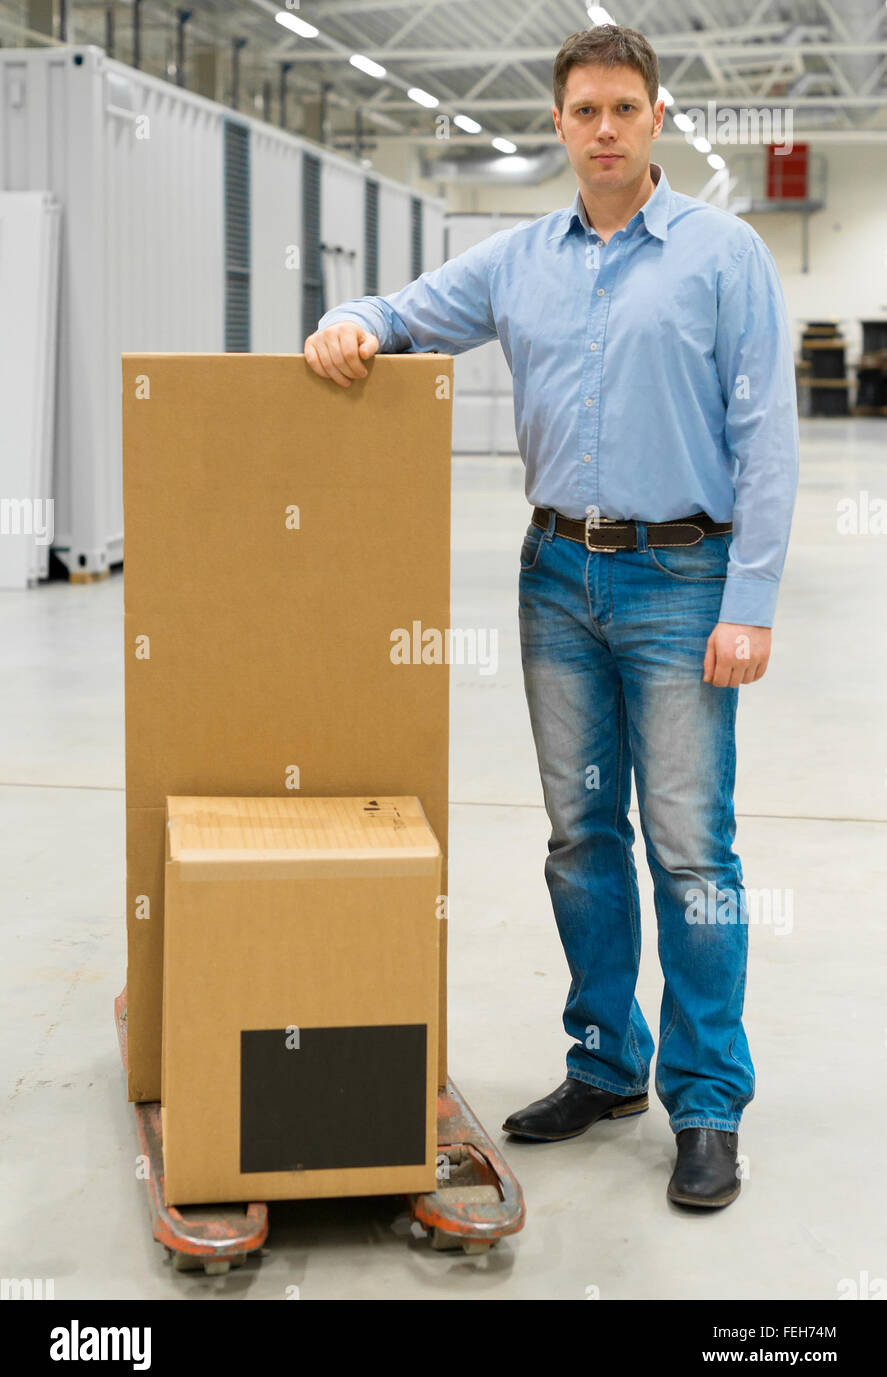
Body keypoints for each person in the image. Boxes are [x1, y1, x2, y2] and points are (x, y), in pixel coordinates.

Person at [304, 24, 799, 1210]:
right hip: (555, 581)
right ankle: (605, 1062)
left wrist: (751, 601)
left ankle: (706, 1101)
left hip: (682, 583)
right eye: (582, 110)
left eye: (624, 108)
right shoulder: (518, 260)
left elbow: (762, 436)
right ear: (560, 124)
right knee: (580, 838)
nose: (603, 129)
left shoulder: (723, 256)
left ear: (656, 119)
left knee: (689, 850)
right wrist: (353, 321)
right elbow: (407, 311)